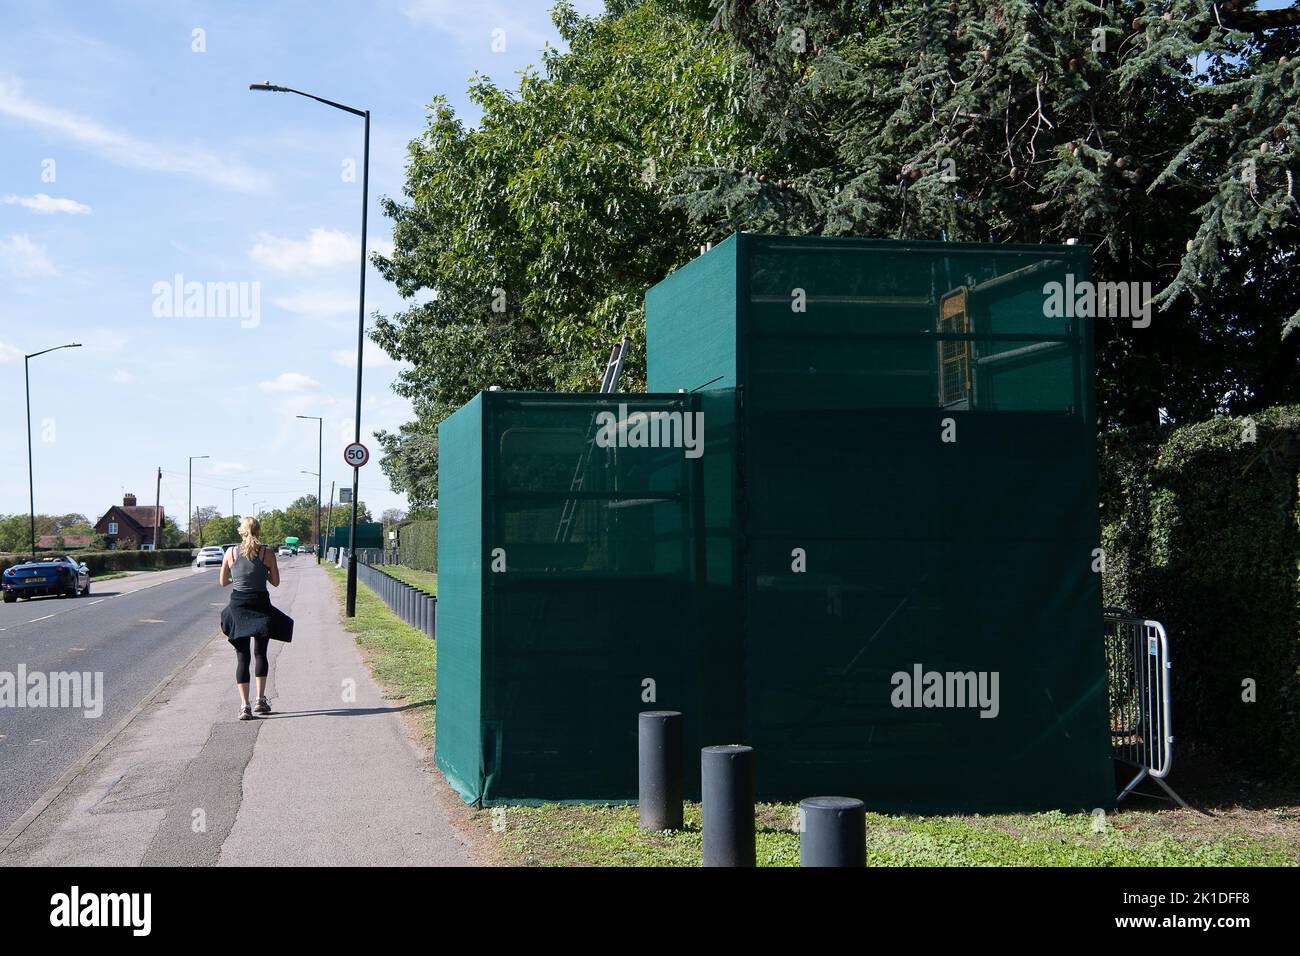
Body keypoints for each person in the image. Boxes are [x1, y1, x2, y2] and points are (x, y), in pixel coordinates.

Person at [218, 517, 286, 720]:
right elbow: (276, 582)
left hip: (238, 607)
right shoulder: (267, 553)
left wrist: (238, 577)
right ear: (258, 532)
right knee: (260, 654)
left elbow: (223, 582)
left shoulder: (230, 552)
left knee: (242, 657)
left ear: (242, 532)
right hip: (260, 605)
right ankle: (260, 700)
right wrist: (261, 573)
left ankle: (244, 706)